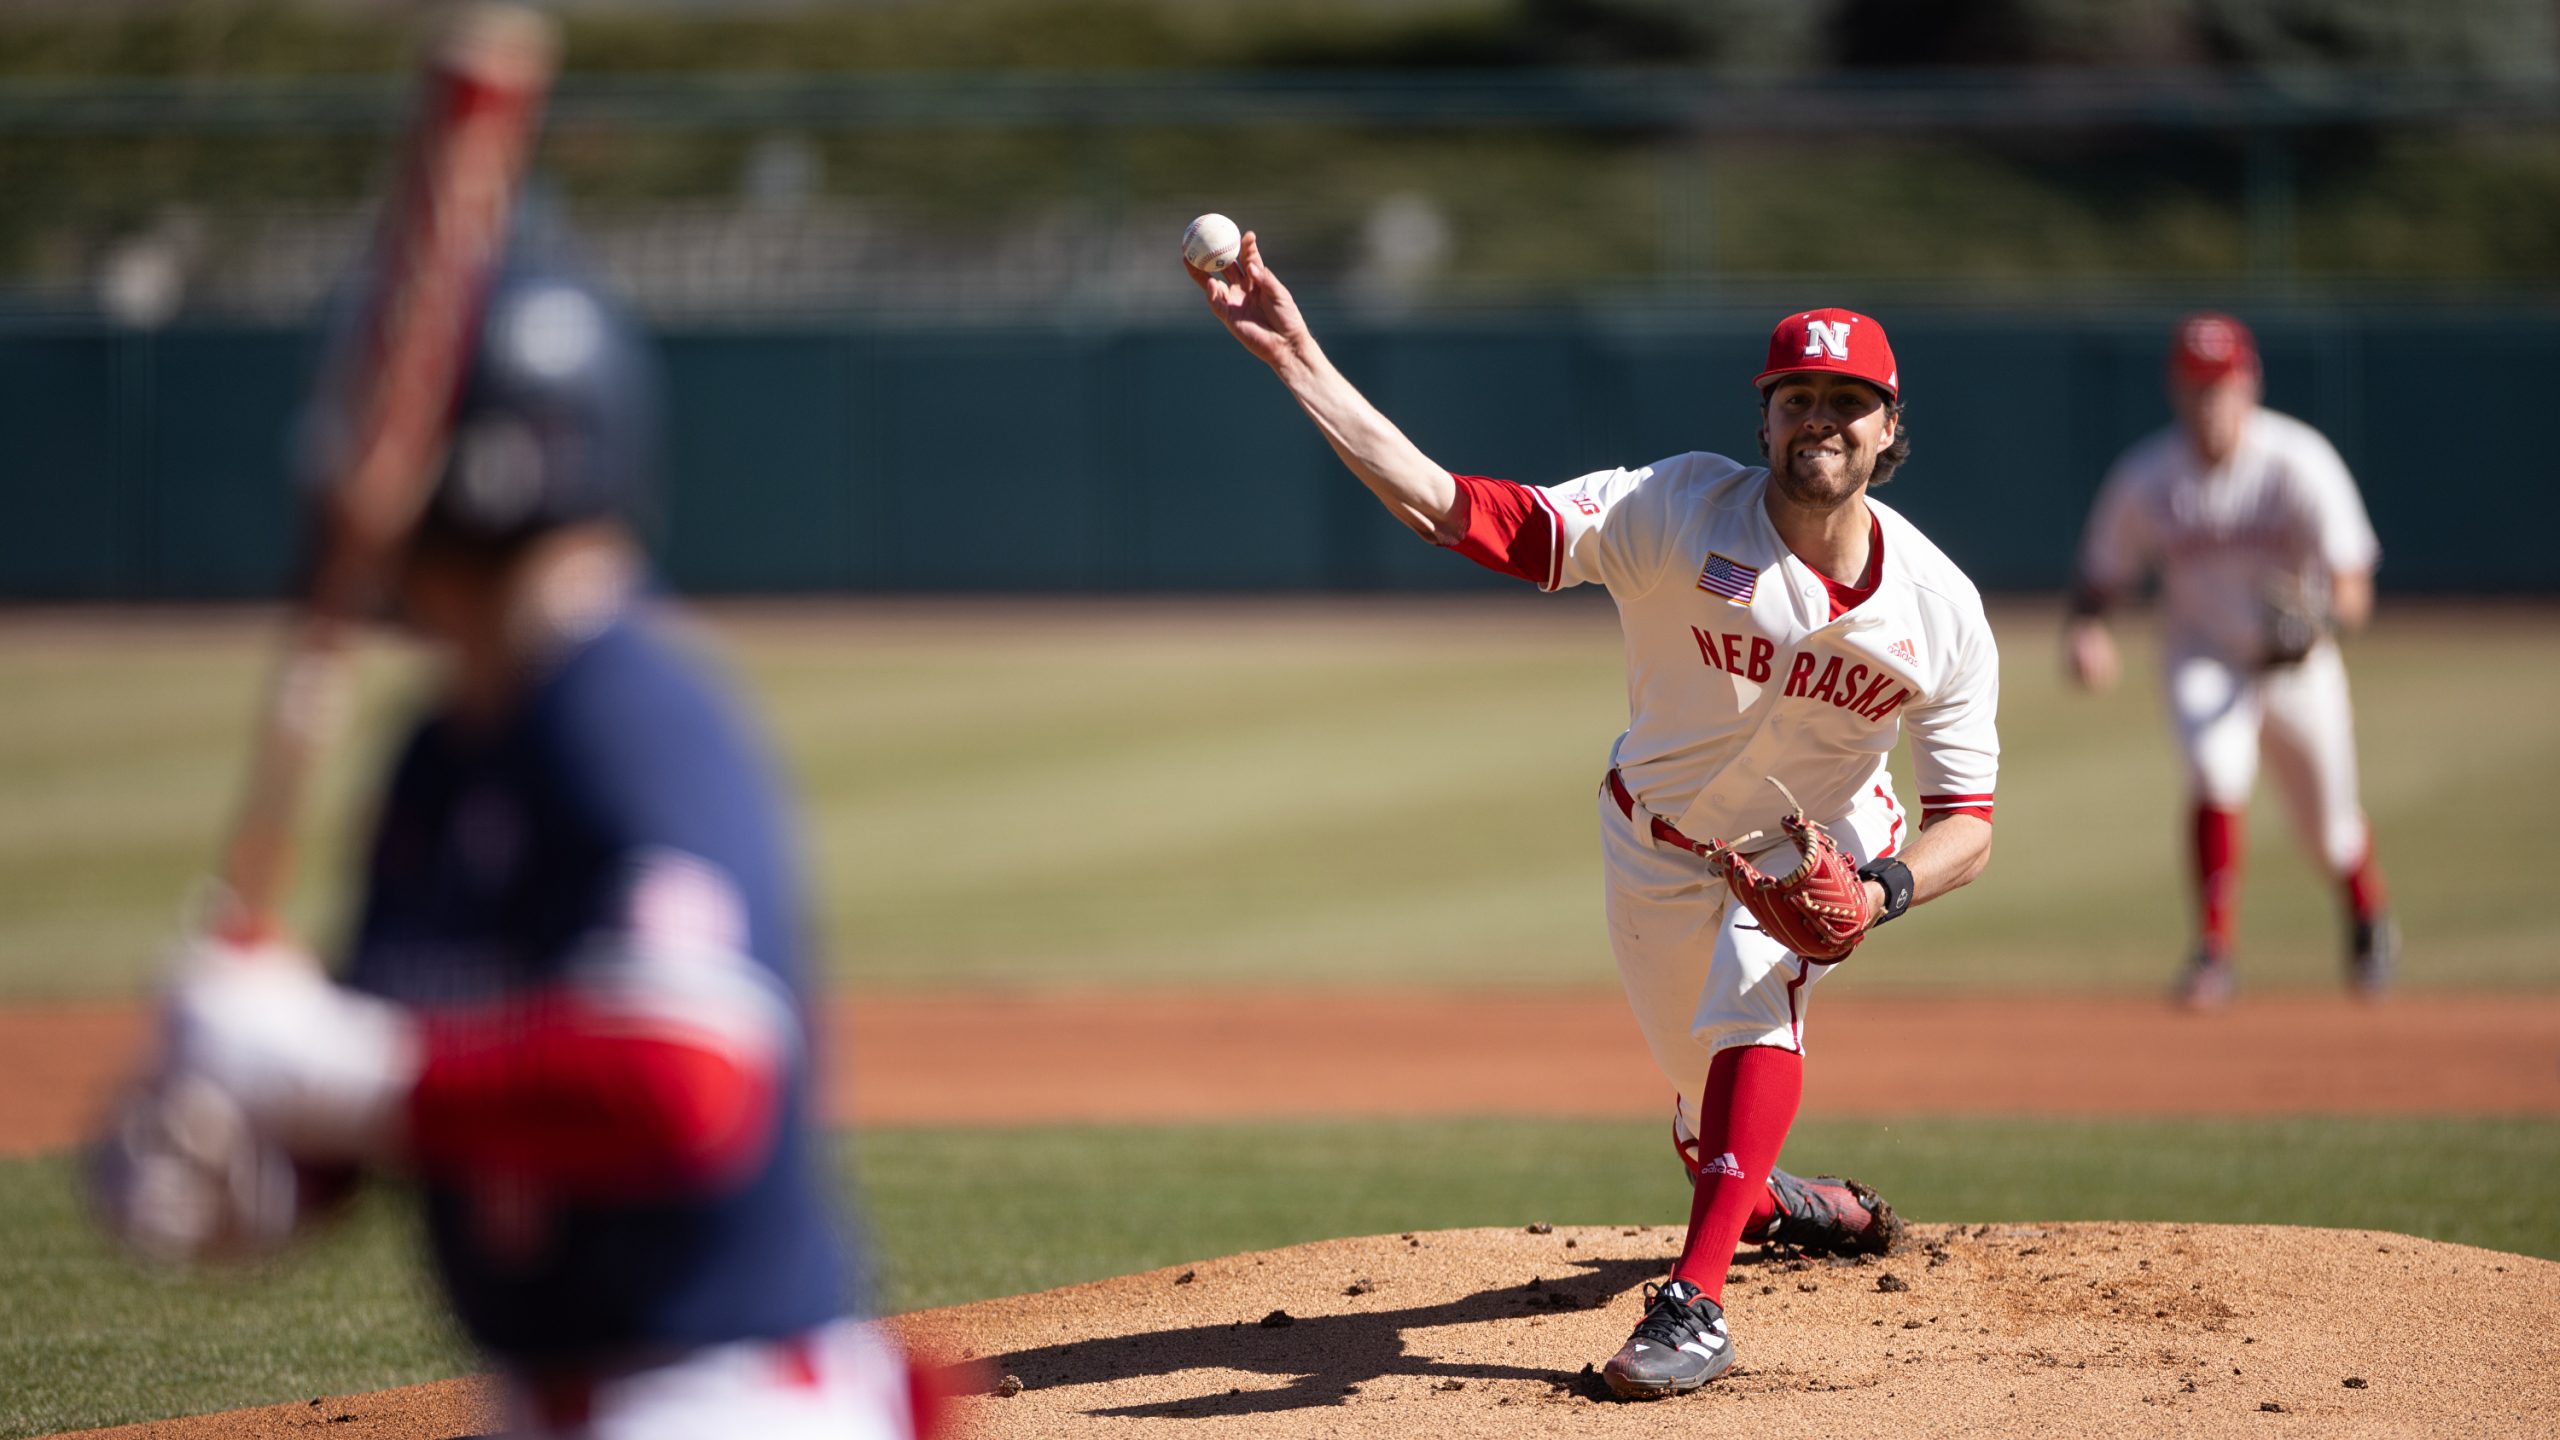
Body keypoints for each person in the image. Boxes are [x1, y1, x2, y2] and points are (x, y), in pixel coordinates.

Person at [91, 249, 942, 1439]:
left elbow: (688, 1079)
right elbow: (418, 1062)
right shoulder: (441, 756)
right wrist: (260, 1176)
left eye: (386, 426)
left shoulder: (629, 709)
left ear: (483, 458)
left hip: (721, 1404)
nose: (349, 466)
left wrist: (330, 1068)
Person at [1188, 233, 1998, 1401]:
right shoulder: (1675, 510)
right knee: (1697, 1080)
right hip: (1654, 844)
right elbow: (1454, 511)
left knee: (1752, 1015)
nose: (1823, 418)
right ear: (1764, 420)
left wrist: (1880, 890)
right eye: (1799, 398)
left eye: (1849, 402)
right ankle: (1767, 1194)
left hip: (1810, 848)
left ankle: (1697, 1304)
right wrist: (1299, 356)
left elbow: (1967, 819)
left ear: (1888, 428)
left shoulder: (1942, 610)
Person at [2065, 312, 2396, 1010]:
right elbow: (2102, 572)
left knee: (2329, 827)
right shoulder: (2148, 476)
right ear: (2175, 391)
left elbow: (2354, 586)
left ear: (2249, 385)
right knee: (2216, 771)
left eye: (2222, 383)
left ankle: (2368, 918)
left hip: (2296, 661)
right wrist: (2087, 629)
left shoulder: (2298, 461)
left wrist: (2321, 624)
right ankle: (2215, 952)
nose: (2210, 400)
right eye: (2196, 385)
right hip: (2203, 653)